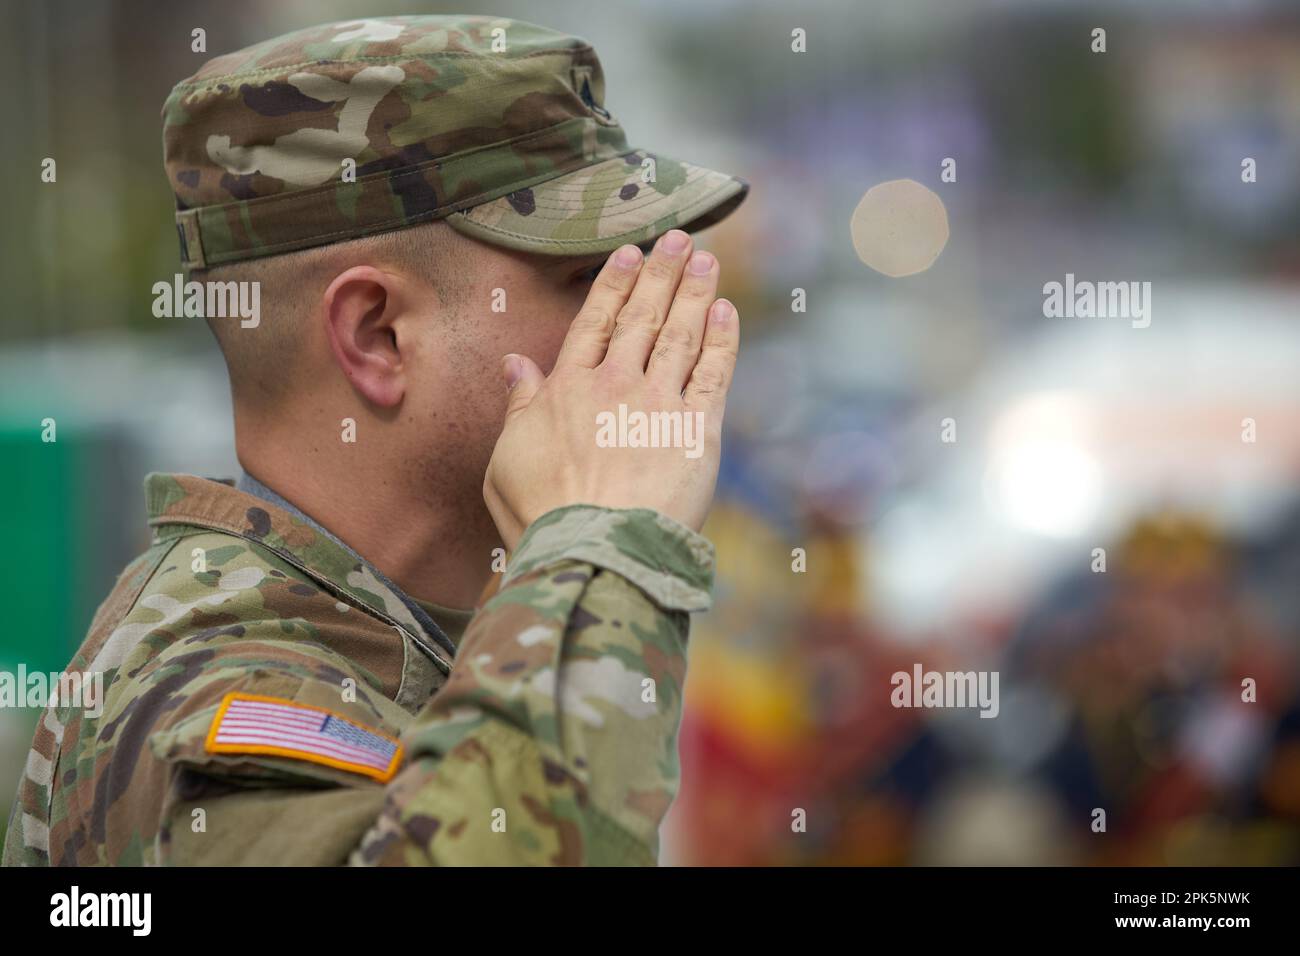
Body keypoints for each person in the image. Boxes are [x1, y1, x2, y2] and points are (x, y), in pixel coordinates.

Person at [2, 14, 746, 866]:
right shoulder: (209, 697)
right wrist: (602, 551)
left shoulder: (401, 629)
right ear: (378, 335)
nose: (651, 321)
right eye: (592, 276)